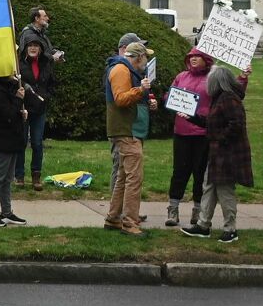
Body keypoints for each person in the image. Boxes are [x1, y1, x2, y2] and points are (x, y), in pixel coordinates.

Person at [178, 62, 250, 242]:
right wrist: (193, 117)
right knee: (208, 188)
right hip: (218, 152)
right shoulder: (220, 98)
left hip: (227, 153)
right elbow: (213, 123)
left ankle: (230, 228)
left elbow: (237, 125)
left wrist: (218, 138)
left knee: (225, 191)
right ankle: (203, 225)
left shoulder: (228, 99)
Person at [102, 39, 154, 235]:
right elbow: (121, 99)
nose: (146, 62)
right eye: (145, 57)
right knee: (134, 177)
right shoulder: (121, 70)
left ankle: (113, 218)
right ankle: (130, 222)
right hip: (126, 130)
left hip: (126, 129)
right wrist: (140, 89)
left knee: (124, 176)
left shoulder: (124, 69)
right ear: (139, 57)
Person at [165, 48, 216, 229]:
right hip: (182, 132)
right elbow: (169, 96)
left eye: (198, 56)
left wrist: (243, 78)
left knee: (200, 173)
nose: (193, 59)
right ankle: (173, 208)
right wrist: (172, 99)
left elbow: (229, 95)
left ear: (206, 59)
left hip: (202, 133)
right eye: (191, 56)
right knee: (179, 171)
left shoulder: (211, 78)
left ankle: (197, 210)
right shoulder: (181, 76)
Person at [0, 70, 28, 227]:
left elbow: (13, 112)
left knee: (8, 179)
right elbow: (6, 113)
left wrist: (22, 112)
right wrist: (18, 99)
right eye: (9, 69)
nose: (13, 72)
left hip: (13, 137)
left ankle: (7, 212)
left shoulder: (10, 86)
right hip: (2, 138)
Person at [17, 34, 56, 190]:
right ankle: (19, 175)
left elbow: (52, 84)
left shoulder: (46, 64)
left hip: (40, 109)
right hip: (23, 108)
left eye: (36, 45)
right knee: (21, 142)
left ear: (41, 49)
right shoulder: (19, 64)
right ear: (25, 48)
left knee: (37, 143)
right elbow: (14, 82)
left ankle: (36, 175)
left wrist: (46, 97)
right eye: (30, 45)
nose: (33, 48)